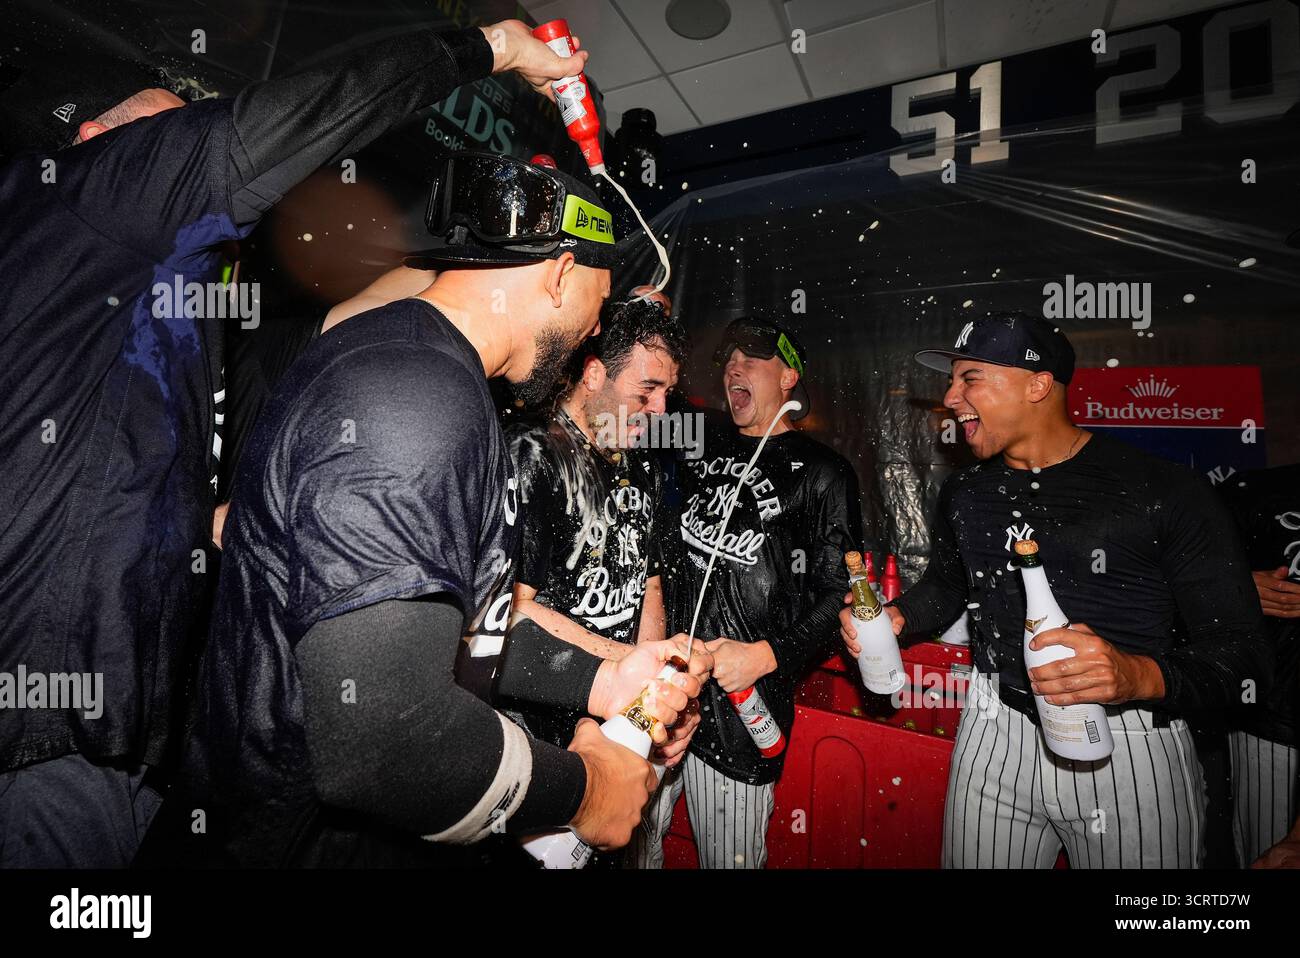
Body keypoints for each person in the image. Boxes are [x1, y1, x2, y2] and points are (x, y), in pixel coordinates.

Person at [0, 20, 590, 867]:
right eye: (173, 133)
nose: (233, 216)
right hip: (41, 741)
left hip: (115, 741)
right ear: (98, 143)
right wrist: (490, 49)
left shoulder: (137, 314)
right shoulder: (87, 194)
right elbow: (306, 113)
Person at [135, 152, 707, 868]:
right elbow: (384, 742)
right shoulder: (413, 394)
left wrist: (599, 678)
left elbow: (441, 628)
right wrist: (588, 789)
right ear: (561, 273)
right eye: (599, 299)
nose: (594, 330)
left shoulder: (430, 372)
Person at [839, 311, 1270, 869]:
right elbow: (949, 586)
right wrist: (898, 617)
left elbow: (1244, 657)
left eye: (969, 378)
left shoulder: (1163, 490)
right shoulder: (966, 491)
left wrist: (1138, 675)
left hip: (1131, 745)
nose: (949, 397)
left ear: (1038, 384)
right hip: (994, 732)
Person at [635, 318, 863, 869]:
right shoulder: (699, 437)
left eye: (753, 358)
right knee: (628, 847)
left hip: (744, 709)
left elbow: (842, 596)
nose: (734, 365)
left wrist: (765, 656)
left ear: (788, 376)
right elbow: (630, 399)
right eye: (730, 357)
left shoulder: (824, 474)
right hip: (661, 690)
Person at [505, 288, 700, 758]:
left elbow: (648, 581)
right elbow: (512, 609)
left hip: (620, 721)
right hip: (540, 728)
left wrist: (648, 703)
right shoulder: (534, 456)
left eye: (666, 394)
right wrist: (629, 664)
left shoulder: (641, 460)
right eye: (646, 391)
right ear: (593, 374)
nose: (660, 411)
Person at [1218, 465, 1300, 866]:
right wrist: (1233, 585)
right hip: (1273, 718)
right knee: (1272, 854)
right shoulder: (1261, 490)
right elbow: (1184, 571)